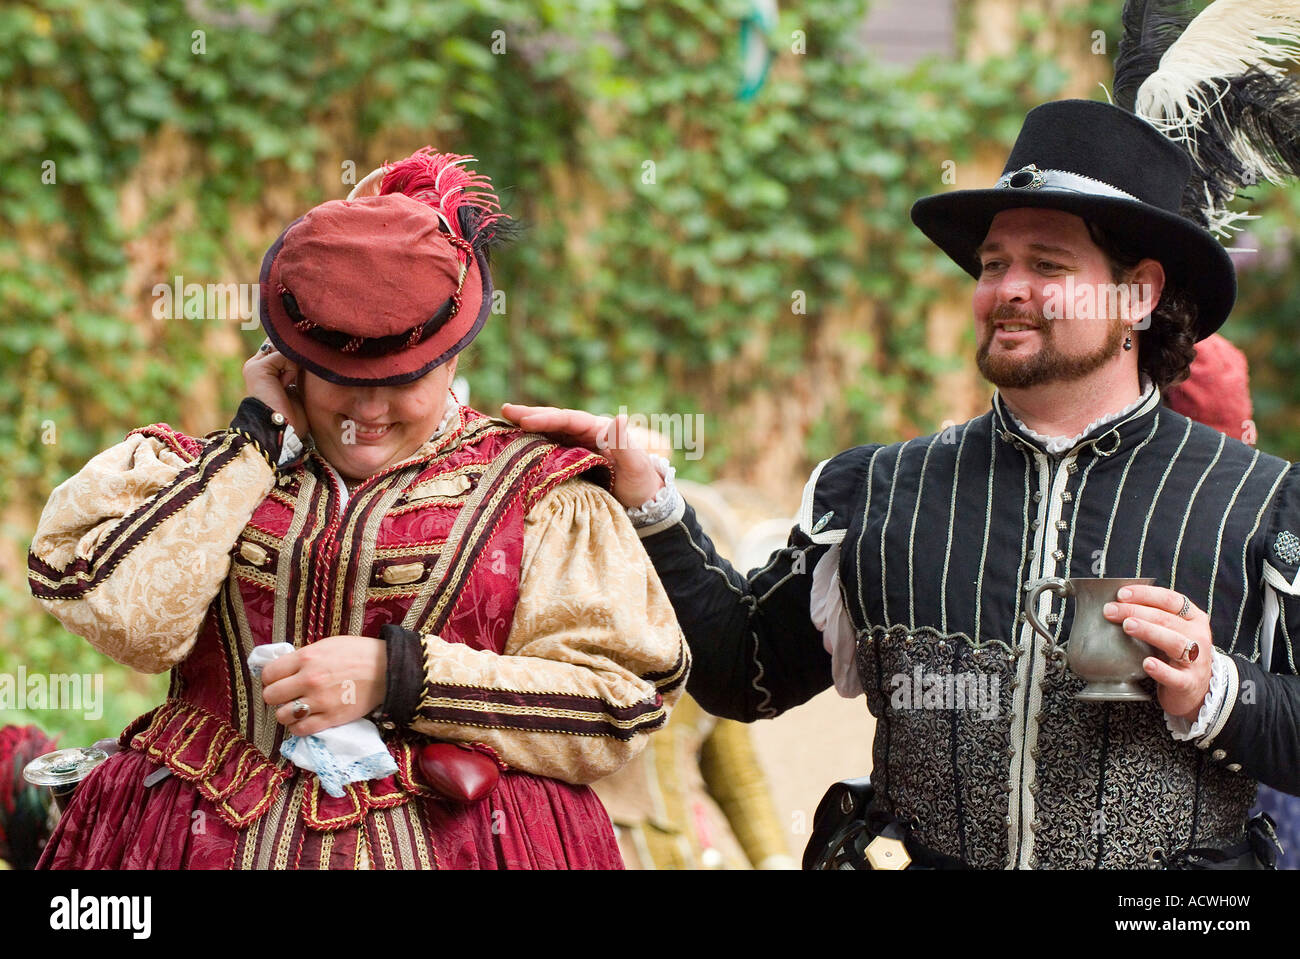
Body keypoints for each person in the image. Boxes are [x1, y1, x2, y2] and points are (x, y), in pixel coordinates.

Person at [507, 92, 1300, 868]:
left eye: (1046, 265)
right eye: (993, 264)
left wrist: (1217, 687)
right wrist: (652, 501)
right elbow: (744, 670)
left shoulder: (1260, 503)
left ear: (1139, 293)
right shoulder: (878, 491)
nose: (1006, 289)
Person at [26, 148, 688, 870]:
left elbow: (619, 704)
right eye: (343, 375)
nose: (370, 409)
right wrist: (250, 444)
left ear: (455, 355)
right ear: (288, 357)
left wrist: (399, 675)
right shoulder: (202, 475)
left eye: (404, 377)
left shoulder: (537, 494)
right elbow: (123, 618)